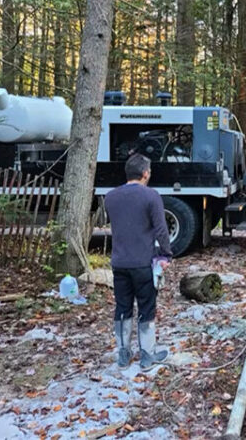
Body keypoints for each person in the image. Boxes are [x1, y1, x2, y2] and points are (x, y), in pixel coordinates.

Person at [105, 154, 173, 370]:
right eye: (149, 172)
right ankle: (147, 354)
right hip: (143, 263)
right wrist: (166, 255)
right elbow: (161, 230)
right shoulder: (151, 196)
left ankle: (123, 354)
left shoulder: (110, 197)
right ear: (145, 173)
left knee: (122, 307)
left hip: (119, 263)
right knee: (146, 307)